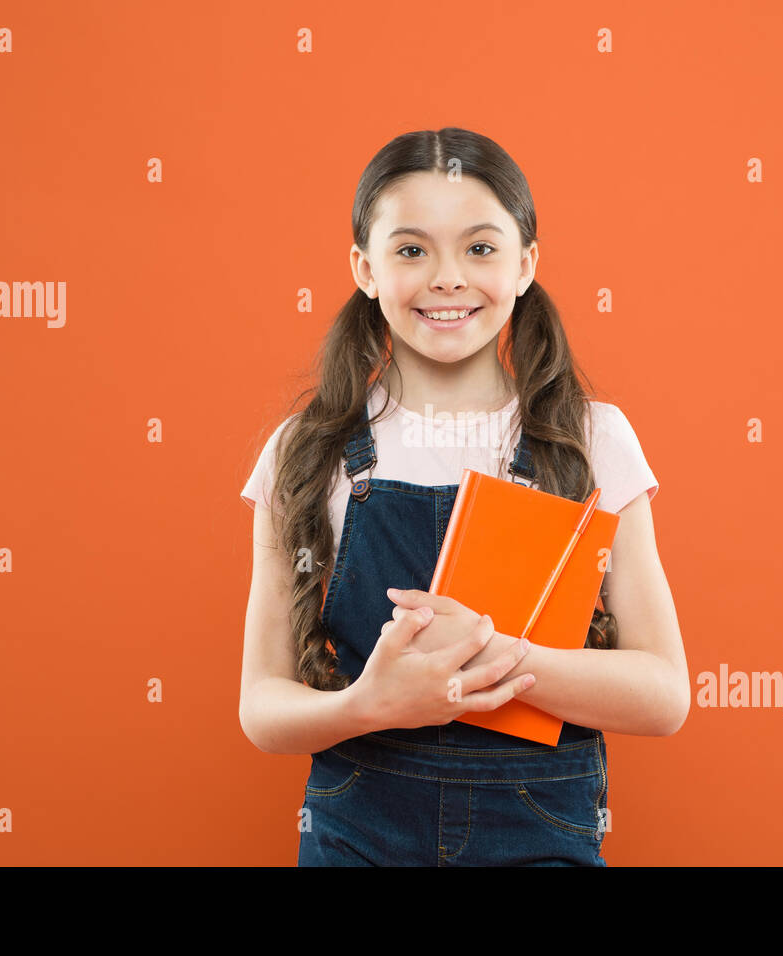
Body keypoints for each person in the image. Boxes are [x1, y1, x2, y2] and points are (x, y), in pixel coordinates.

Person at [239, 127, 689, 866]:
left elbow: (664, 694)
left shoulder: (589, 439)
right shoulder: (308, 450)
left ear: (526, 264)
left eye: (479, 247)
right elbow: (262, 705)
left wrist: (498, 657)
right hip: (358, 836)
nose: (448, 278)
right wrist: (368, 705)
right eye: (411, 250)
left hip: (539, 833)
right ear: (365, 268)